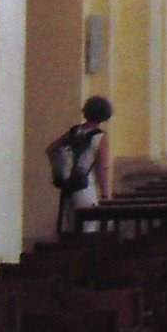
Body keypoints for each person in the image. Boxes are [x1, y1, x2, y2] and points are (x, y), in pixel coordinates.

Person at [44, 96, 113, 232]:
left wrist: (61, 168)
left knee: (69, 226)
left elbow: (51, 149)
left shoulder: (74, 131)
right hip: (86, 186)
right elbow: (102, 167)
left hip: (68, 187)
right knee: (87, 228)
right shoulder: (100, 136)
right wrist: (105, 193)